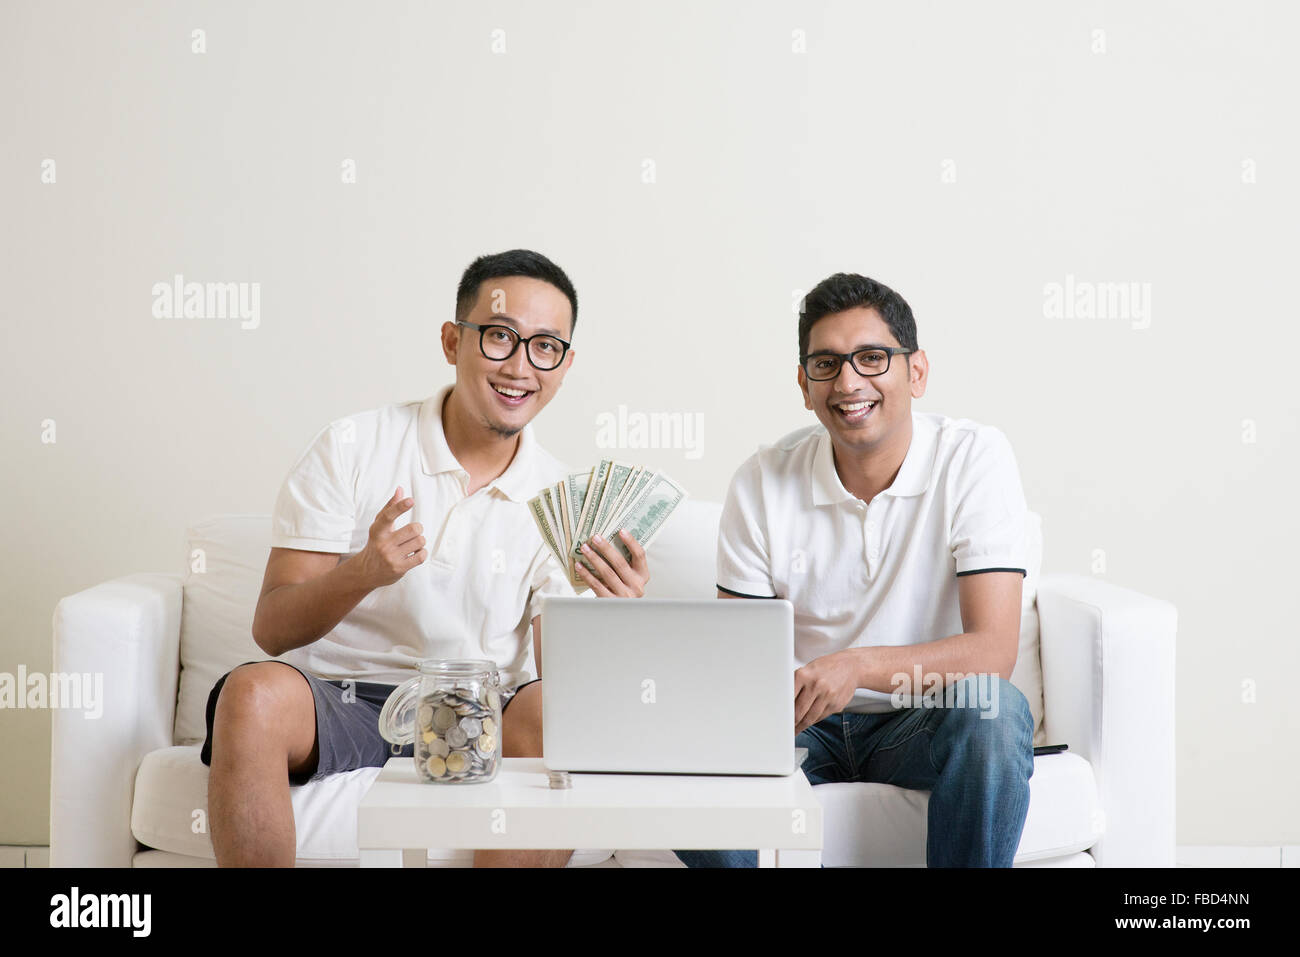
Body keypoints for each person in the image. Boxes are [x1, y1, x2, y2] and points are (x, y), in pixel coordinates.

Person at [201, 249, 649, 867]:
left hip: (479, 709)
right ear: (451, 341)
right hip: (343, 699)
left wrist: (614, 617)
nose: (520, 366)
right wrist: (363, 573)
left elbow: (562, 684)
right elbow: (272, 629)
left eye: (545, 347)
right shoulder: (352, 447)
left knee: (554, 710)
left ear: (565, 365)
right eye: (499, 337)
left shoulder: (563, 503)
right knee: (249, 693)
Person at [676, 272, 1034, 867]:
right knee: (684, 742)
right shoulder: (764, 479)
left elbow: (994, 651)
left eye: (872, 359)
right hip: (800, 725)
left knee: (993, 708)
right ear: (803, 383)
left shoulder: (974, 457)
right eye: (826, 364)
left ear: (916, 372)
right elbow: (740, 661)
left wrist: (857, 666)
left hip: (922, 720)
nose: (848, 383)